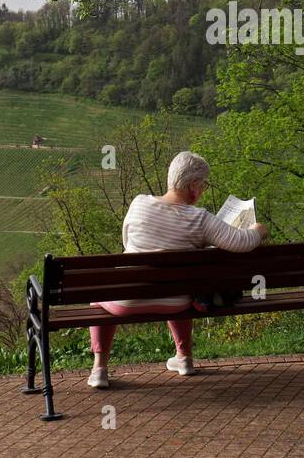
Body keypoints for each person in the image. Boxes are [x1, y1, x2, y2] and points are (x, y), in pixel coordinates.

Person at [87, 151, 268, 389]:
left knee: (98, 293)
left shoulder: (139, 203)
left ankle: (99, 368)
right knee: (178, 283)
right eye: (203, 185)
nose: (203, 190)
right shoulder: (200, 219)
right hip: (175, 302)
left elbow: (126, 242)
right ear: (193, 185)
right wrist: (258, 230)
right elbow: (241, 242)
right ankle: (184, 358)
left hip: (127, 301)